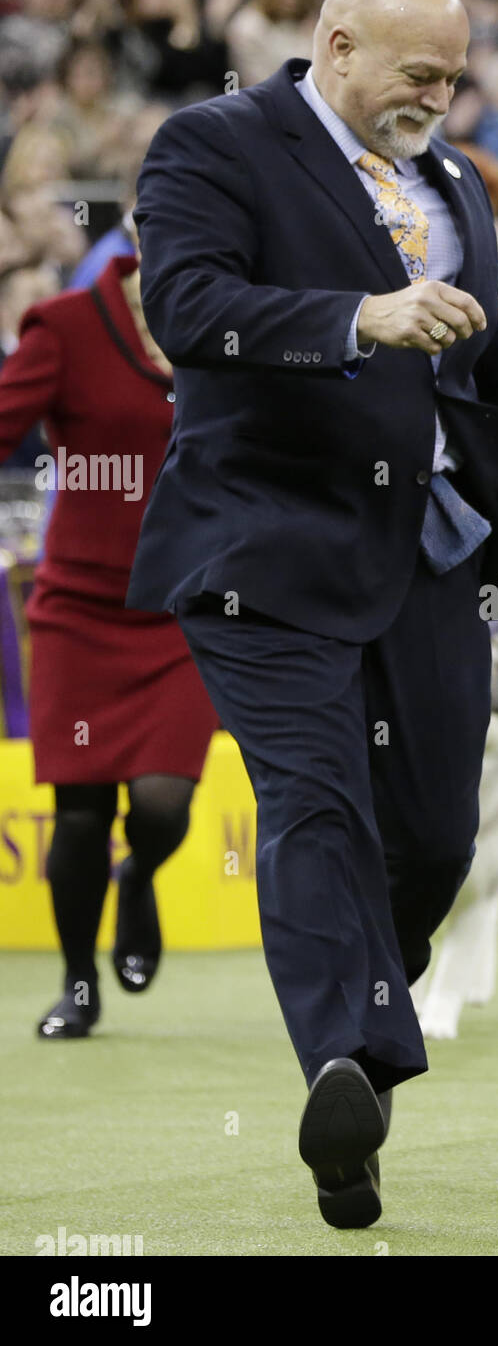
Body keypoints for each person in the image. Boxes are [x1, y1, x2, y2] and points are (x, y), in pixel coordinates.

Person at [126, 0, 498, 1228]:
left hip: (425, 548)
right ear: (336, 44)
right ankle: (338, 1057)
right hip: (264, 547)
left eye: (453, 73)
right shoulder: (214, 141)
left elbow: (467, 352)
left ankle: (359, 1071)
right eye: (417, 71)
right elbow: (189, 305)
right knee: (315, 806)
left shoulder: (454, 182)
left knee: (434, 835)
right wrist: (356, 319)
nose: (439, 94)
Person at [0, 249, 219, 1038]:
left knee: (163, 805)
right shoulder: (64, 326)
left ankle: (141, 878)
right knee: (81, 812)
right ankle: (77, 983)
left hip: (182, 608)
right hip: (79, 607)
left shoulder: (231, 316)